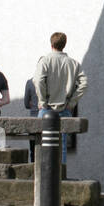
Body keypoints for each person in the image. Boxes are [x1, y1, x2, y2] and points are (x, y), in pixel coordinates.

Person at [34, 32, 87, 165]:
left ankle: (42, 177)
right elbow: (84, 83)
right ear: (64, 44)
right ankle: (60, 177)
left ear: (51, 44)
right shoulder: (73, 64)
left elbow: (38, 80)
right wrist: (72, 102)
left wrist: (42, 100)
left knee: (42, 144)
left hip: (46, 108)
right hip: (64, 107)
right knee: (61, 145)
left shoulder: (45, 61)